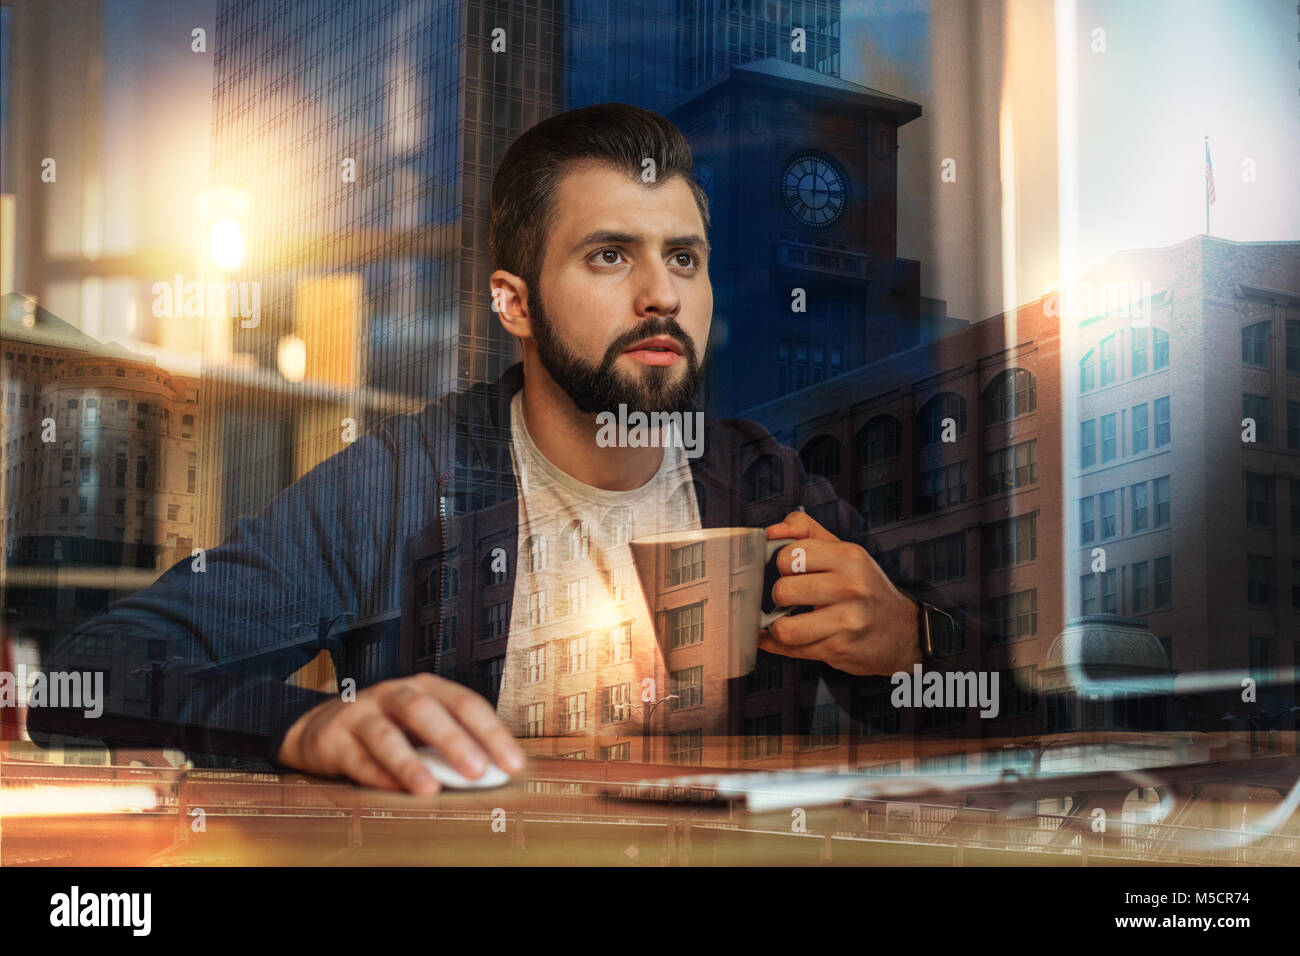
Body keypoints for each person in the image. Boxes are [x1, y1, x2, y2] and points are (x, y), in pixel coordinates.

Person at [33, 104, 973, 793]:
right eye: (610, 256)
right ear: (514, 303)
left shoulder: (760, 480)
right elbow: (90, 672)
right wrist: (306, 724)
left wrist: (913, 644)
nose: (662, 295)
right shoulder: (406, 483)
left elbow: (997, 702)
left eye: (683, 257)